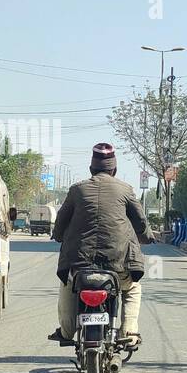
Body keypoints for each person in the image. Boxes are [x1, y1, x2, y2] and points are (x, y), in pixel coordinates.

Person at [49, 143, 151, 350]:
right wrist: (147, 237)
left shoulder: (77, 190)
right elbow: (140, 222)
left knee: (68, 285)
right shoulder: (126, 189)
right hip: (118, 265)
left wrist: (58, 235)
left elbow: (60, 222)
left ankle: (67, 331)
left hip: (80, 265)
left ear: (91, 170)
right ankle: (129, 332)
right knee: (132, 288)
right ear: (114, 170)